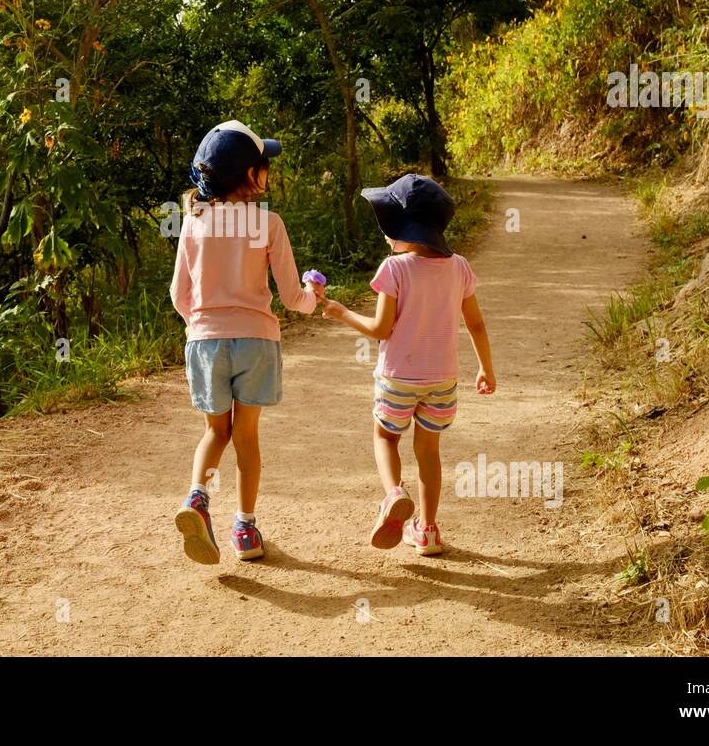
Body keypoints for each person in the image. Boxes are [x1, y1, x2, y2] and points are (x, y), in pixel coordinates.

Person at [170, 120, 322, 563]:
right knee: (247, 438)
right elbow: (294, 298)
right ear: (250, 176)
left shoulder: (193, 223)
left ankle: (197, 499)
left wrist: (202, 326)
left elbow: (179, 295)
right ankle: (245, 532)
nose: (268, 171)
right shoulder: (267, 224)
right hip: (255, 341)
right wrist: (316, 298)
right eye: (264, 165)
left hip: (204, 341)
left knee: (215, 432)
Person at [320, 174, 496, 556]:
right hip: (443, 380)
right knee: (428, 452)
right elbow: (476, 324)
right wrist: (486, 368)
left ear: (406, 228)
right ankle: (428, 530)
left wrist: (342, 312)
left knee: (385, 436)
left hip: (398, 377)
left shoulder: (394, 269)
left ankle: (393, 495)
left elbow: (381, 329)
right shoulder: (460, 267)